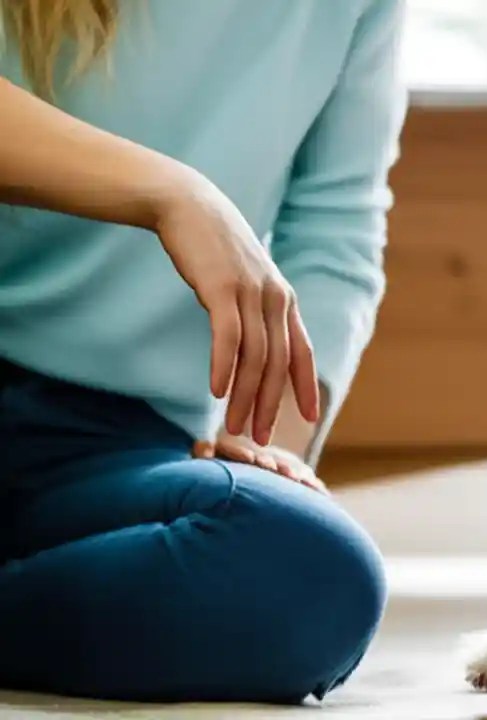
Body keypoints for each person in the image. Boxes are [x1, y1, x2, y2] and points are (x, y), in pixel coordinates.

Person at [0, 0, 406, 704]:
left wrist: (268, 447)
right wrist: (173, 193)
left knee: (313, 573)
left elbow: (335, 225)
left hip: (109, 451)